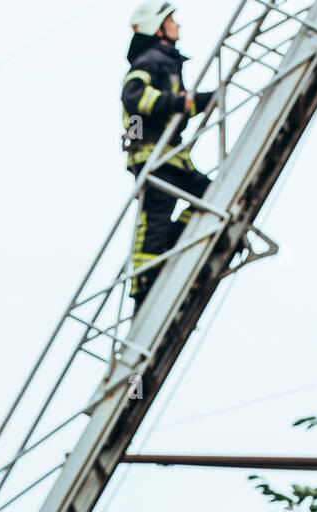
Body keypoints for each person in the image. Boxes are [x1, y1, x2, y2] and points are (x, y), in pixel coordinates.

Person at [122, 3, 216, 310]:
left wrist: (207, 99)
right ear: (157, 27)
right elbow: (135, 97)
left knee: (209, 194)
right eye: (171, 20)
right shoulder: (150, 61)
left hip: (172, 156)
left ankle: (175, 242)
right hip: (151, 156)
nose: (178, 25)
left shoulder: (168, 64)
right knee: (154, 220)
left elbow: (180, 105)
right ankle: (145, 283)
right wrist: (174, 102)